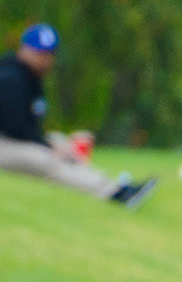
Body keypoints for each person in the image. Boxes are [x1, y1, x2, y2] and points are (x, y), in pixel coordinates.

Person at [0, 23, 155, 206]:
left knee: (63, 145)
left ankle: (116, 186)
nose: (46, 60)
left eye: (49, 55)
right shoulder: (9, 77)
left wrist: (53, 144)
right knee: (46, 159)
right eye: (40, 54)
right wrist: (48, 146)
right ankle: (113, 194)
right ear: (24, 49)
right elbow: (16, 128)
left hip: (12, 140)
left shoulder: (31, 78)